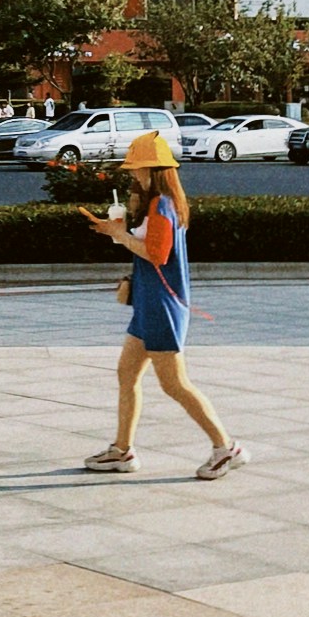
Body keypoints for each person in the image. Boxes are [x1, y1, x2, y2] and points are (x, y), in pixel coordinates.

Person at [78, 133, 246, 481]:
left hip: (162, 307)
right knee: (127, 374)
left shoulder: (162, 205)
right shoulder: (161, 203)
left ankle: (226, 447)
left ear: (153, 170)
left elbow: (158, 254)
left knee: (175, 384)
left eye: (136, 168)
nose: (132, 175)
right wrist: (122, 236)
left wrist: (120, 235)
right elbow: (152, 251)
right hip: (150, 304)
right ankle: (122, 450)